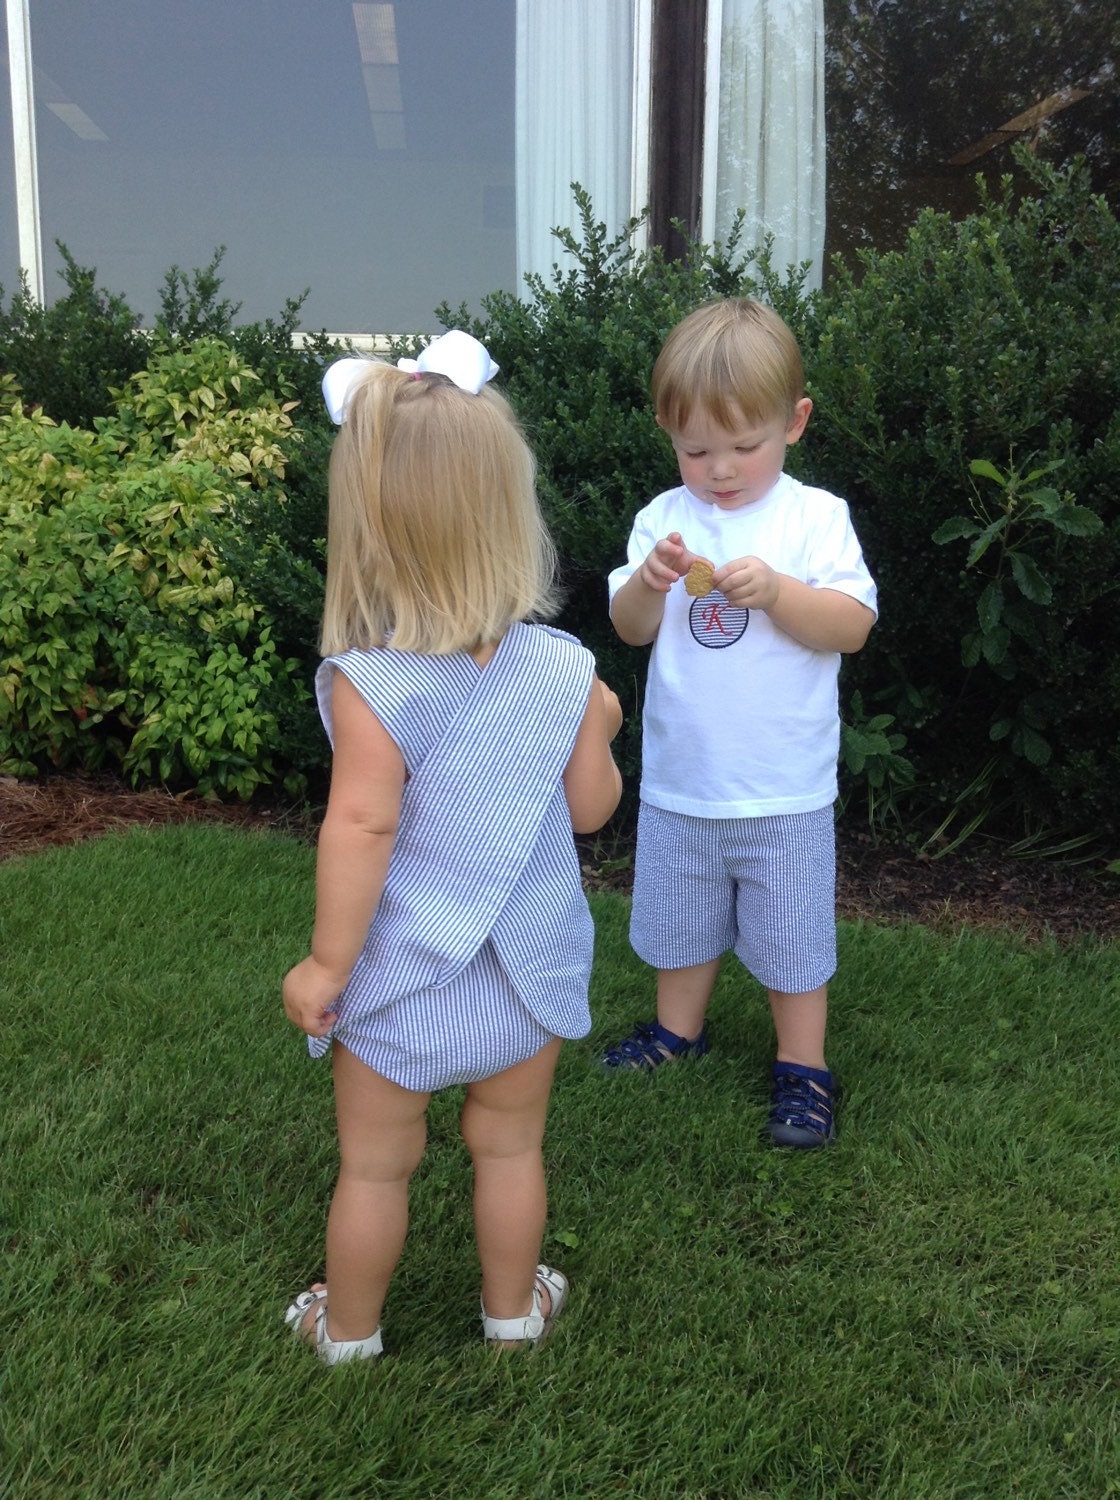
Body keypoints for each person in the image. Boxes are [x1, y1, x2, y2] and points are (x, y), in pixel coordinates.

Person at [283, 330, 623, 1362]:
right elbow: (590, 815)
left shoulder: (373, 683)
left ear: (370, 530)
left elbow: (362, 825)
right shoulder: (563, 668)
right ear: (507, 516)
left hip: (400, 989)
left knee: (377, 1168)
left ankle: (348, 1332)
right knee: (510, 1148)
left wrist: (327, 963)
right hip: (525, 983)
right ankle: (512, 1317)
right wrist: (600, 730)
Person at [601, 298, 877, 1148]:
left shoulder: (812, 518)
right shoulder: (664, 519)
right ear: (668, 435)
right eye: (695, 450)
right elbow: (629, 627)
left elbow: (854, 627)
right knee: (680, 922)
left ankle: (804, 1066)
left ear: (793, 423)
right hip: (686, 780)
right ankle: (678, 1029)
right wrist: (646, 581)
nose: (720, 470)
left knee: (792, 936)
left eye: (744, 447)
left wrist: (782, 594)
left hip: (782, 786)